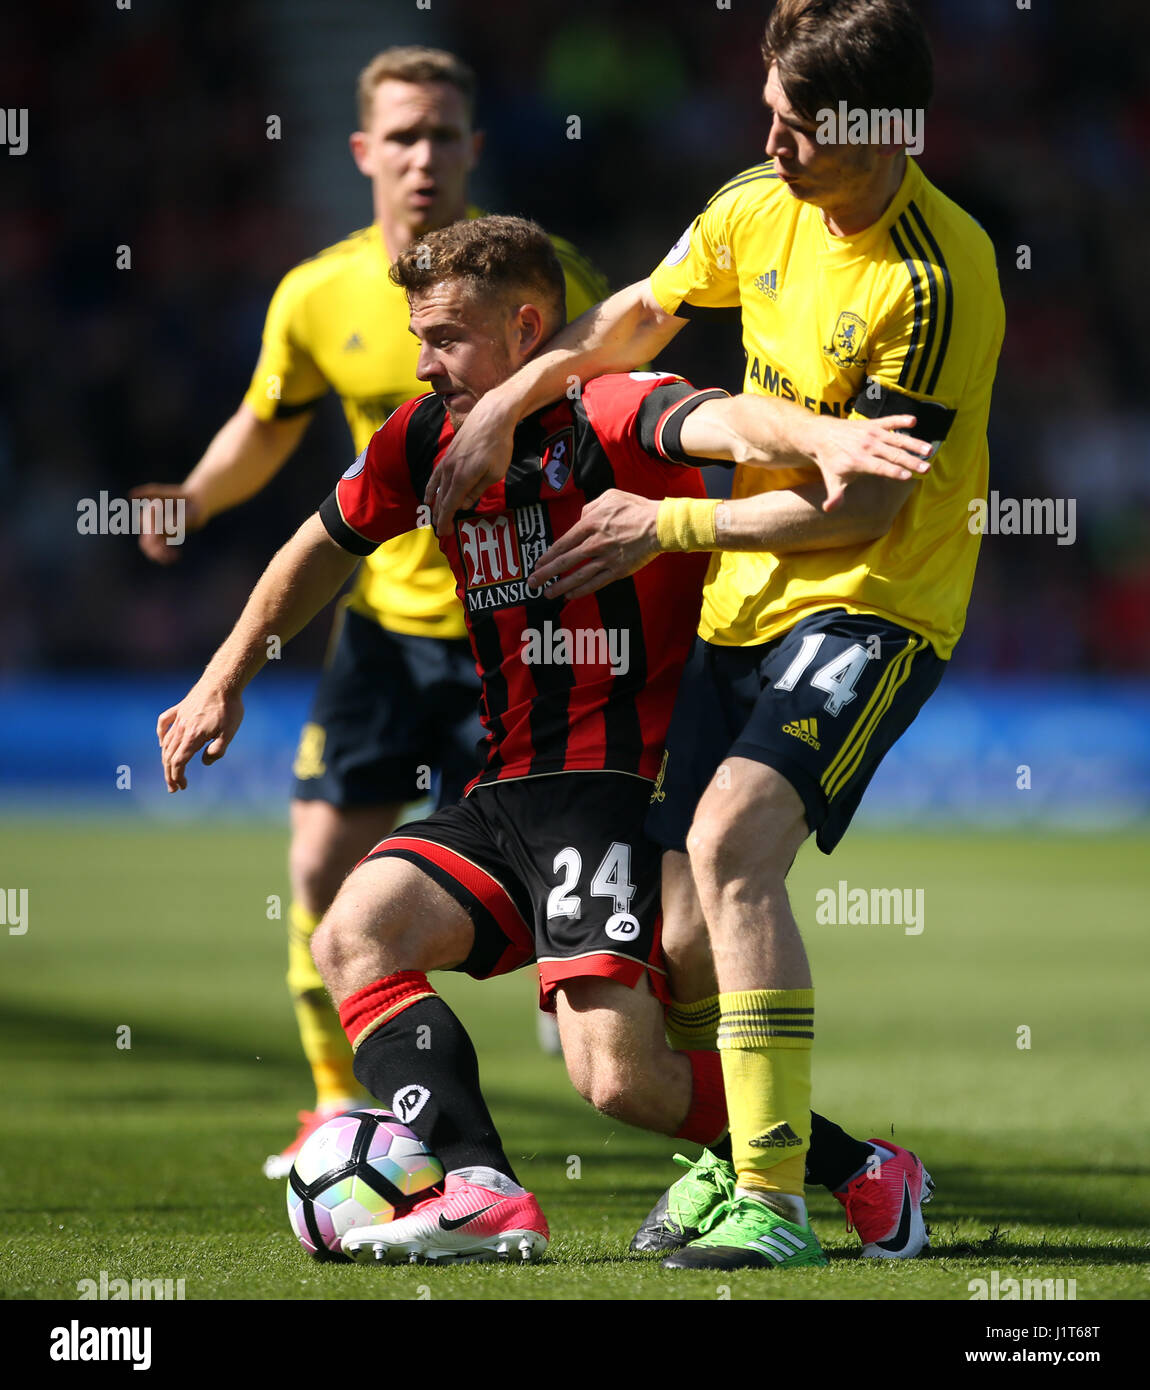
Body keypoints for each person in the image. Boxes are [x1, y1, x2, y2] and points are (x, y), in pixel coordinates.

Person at [156, 215, 936, 1265]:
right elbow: (320, 542)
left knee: (617, 1080)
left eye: (445, 338)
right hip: (505, 785)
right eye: (417, 336)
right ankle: (481, 1186)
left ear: (528, 327)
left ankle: (856, 1168)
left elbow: (722, 422)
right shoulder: (423, 437)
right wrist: (225, 675)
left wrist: (822, 436)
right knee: (353, 934)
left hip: (615, 786)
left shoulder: (605, 412)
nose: (423, 361)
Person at [425, 0, 1005, 1270]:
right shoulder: (757, 200)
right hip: (744, 608)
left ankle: (772, 1200)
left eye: (799, 128)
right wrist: (512, 401)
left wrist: (666, 524)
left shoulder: (934, 280)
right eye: (769, 115)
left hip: (871, 600)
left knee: (735, 842)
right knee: (684, 923)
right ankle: (851, 1182)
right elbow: (638, 313)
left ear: (885, 128)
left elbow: (855, 507)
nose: (772, 143)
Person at [130, 48, 609, 1177]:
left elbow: (614, 391)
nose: (424, 156)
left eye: (444, 134)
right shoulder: (317, 294)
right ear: (362, 152)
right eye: (403, 136)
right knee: (319, 872)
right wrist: (196, 494)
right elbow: (270, 423)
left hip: (526, 635)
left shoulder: (538, 273)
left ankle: (580, 985)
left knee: (556, 888)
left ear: (473, 148)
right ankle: (343, 1110)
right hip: (387, 633)